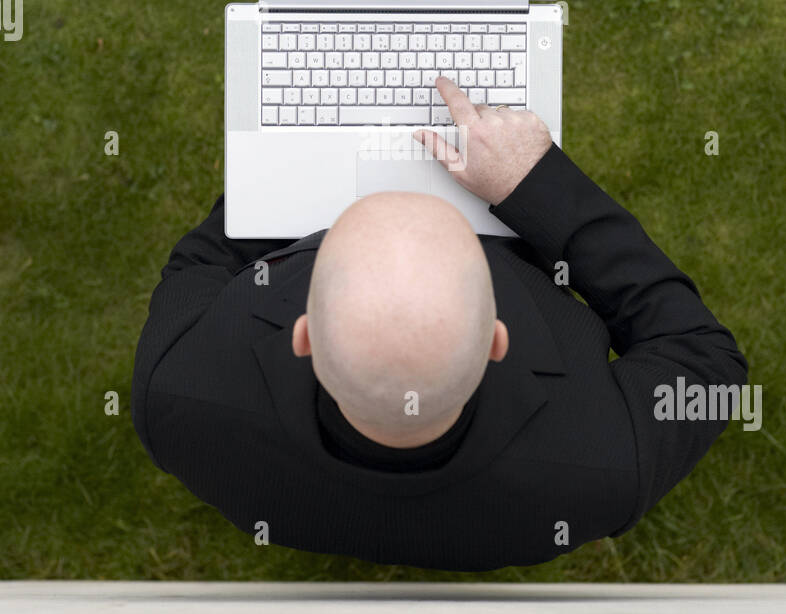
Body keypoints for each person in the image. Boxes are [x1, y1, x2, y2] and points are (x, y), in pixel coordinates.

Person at [131, 77, 747, 571]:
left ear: (305, 336)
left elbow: (204, 261)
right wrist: (536, 187)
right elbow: (703, 360)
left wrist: (305, 159)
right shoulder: (611, 467)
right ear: (497, 340)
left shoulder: (175, 398)